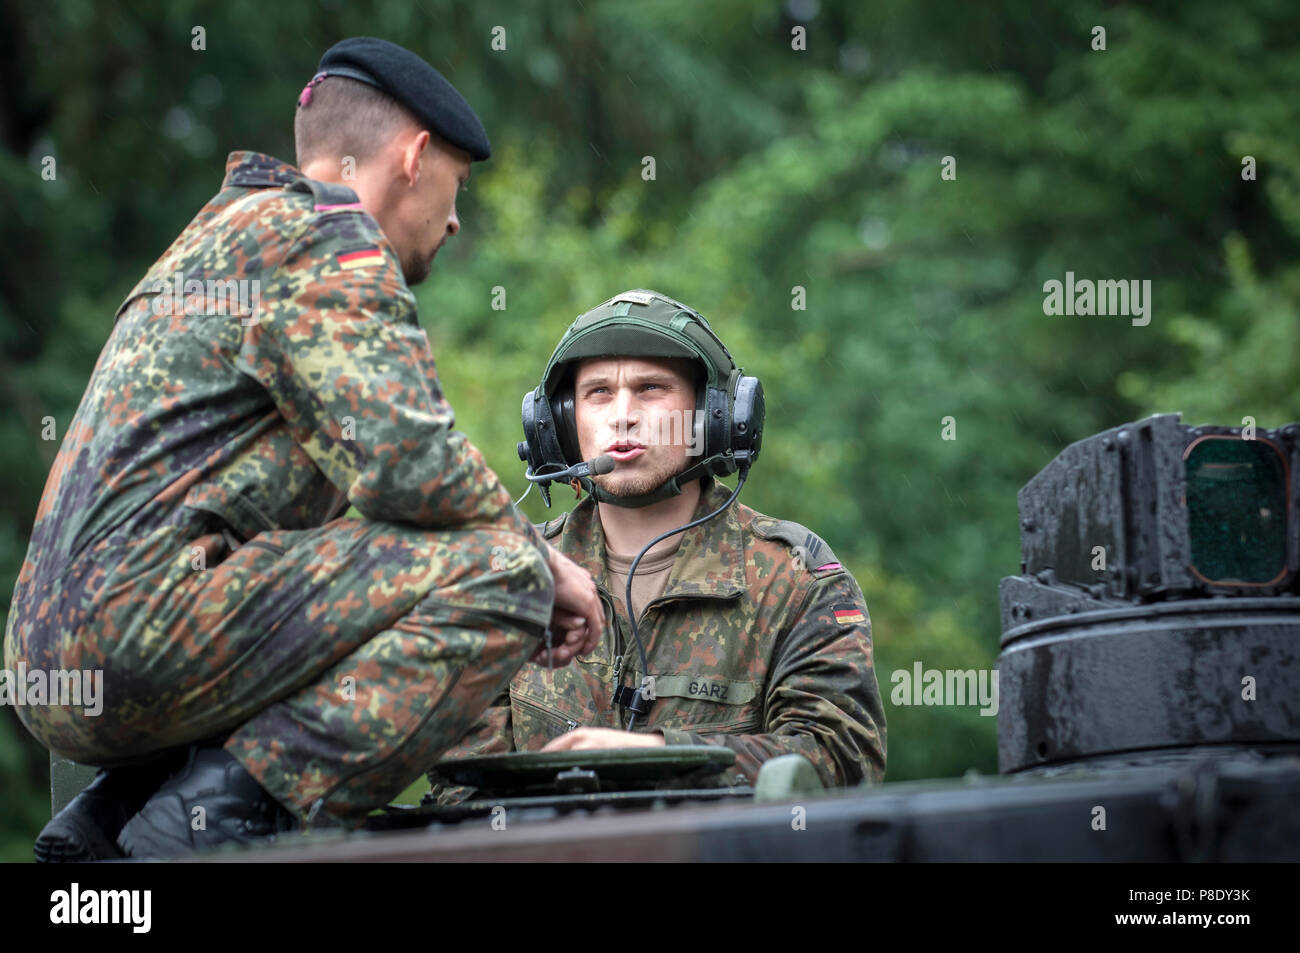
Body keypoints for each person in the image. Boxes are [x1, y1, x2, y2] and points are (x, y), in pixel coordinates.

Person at [4, 36, 603, 861]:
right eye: (457, 185)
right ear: (415, 155)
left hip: (59, 669)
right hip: (140, 633)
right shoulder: (328, 235)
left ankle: (112, 819)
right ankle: (221, 822)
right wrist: (544, 559)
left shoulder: (217, 236)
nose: (457, 216)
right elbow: (409, 465)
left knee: (356, 552)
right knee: (499, 570)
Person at [429, 290, 886, 796]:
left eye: (651, 388)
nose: (622, 415)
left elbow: (840, 759)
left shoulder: (795, 579)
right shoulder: (514, 579)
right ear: (557, 424)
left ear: (714, 415)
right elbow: (463, 788)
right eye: (598, 392)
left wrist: (657, 757)